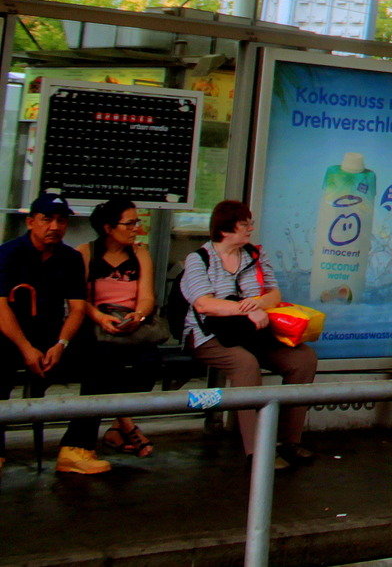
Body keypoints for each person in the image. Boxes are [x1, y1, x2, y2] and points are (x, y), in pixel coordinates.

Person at [180, 199, 322, 467]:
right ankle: (258, 452)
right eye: (244, 224)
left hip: (252, 332)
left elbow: (273, 294)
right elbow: (203, 303)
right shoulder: (199, 259)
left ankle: (289, 441)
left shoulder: (255, 255)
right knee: (245, 364)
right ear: (224, 230)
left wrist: (257, 304)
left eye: (250, 223)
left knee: (303, 359)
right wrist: (245, 310)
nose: (250, 229)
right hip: (210, 336)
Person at [0, 193, 105, 475]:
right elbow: (0, 309)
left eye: (61, 220)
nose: (55, 227)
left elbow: (76, 308)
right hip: (11, 337)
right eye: (47, 219)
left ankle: (76, 449)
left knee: (97, 364)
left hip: (50, 337)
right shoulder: (8, 253)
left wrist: (61, 343)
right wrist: (25, 348)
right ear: (31, 222)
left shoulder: (70, 258)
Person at [78, 197, 164, 460]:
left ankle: (117, 427)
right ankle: (126, 425)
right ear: (108, 228)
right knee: (105, 362)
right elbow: (78, 299)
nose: (135, 228)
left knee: (151, 364)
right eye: (129, 223)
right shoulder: (86, 253)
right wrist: (101, 318)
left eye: (137, 222)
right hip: (96, 325)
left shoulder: (140, 254)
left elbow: (147, 297)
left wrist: (137, 316)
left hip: (131, 322)